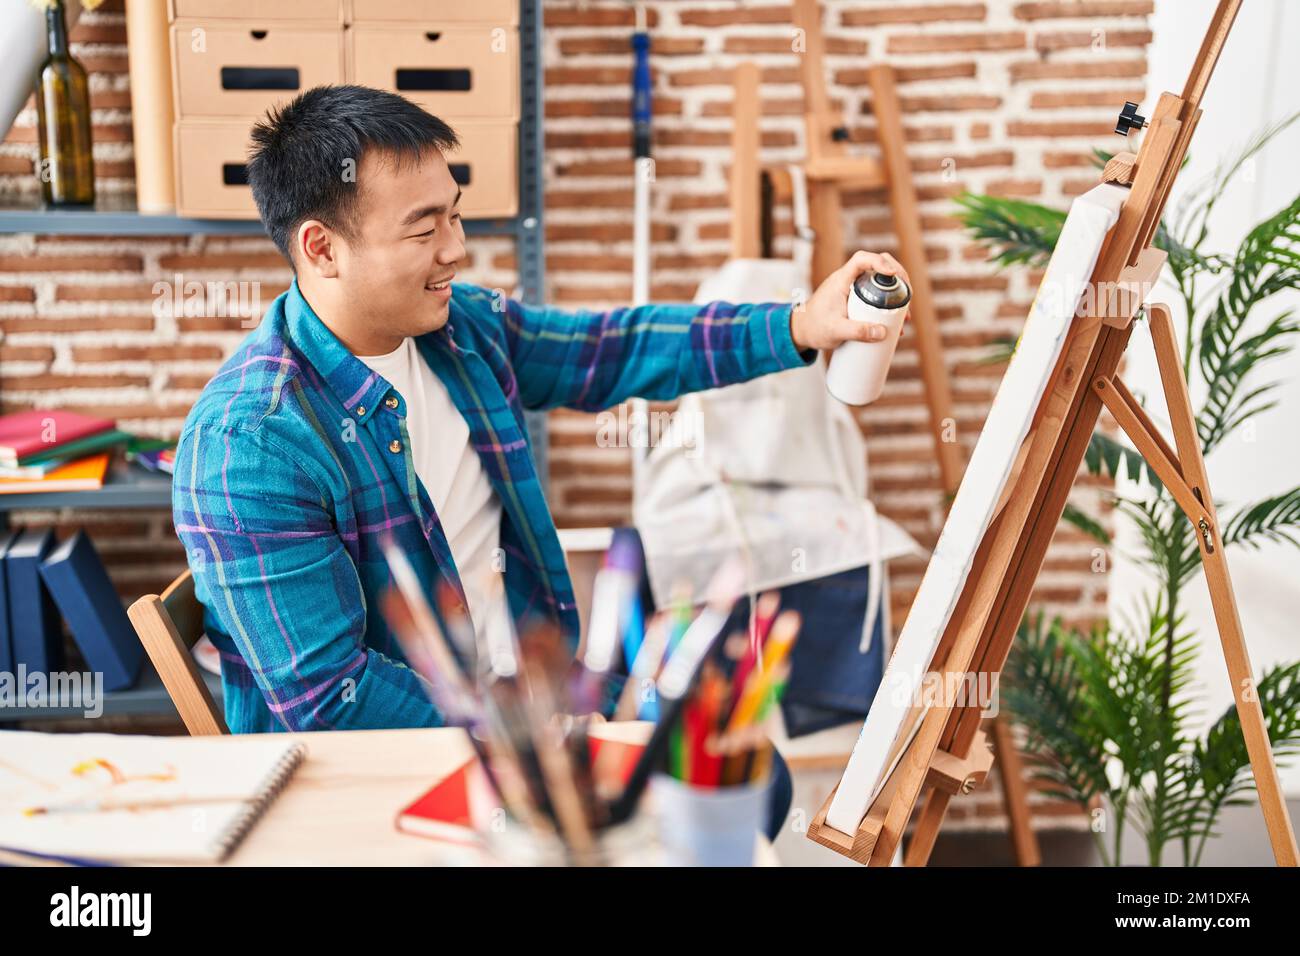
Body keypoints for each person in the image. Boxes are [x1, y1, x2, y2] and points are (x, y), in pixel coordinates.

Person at [172, 86, 908, 835]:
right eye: (424, 230)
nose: (456, 249)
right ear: (321, 248)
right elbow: (336, 700)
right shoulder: (250, 445)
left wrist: (799, 325)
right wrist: (543, 739)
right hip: (395, 770)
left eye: (453, 214)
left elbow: (610, 350)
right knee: (721, 805)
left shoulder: (457, 332)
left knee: (753, 774)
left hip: (527, 697)